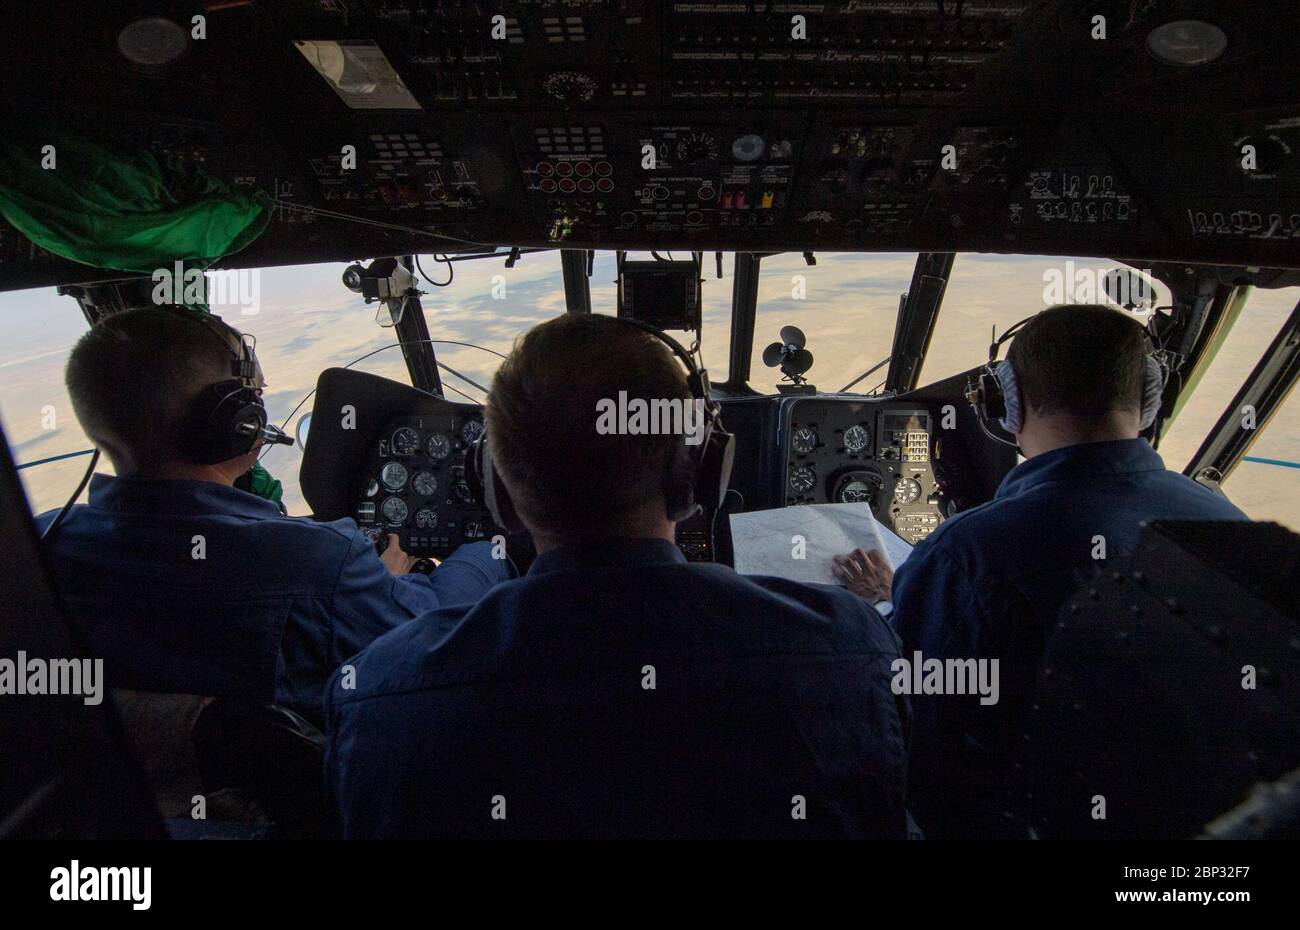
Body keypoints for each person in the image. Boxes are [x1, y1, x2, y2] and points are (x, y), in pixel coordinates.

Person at [325, 313, 909, 839]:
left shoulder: (375, 697)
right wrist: (885, 602)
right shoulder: (851, 649)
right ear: (696, 478)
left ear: (500, 495)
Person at [833, 303, 1247, 838]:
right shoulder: (1225, 523)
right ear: (1150, 395)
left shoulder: (971, 555)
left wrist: (892, 608)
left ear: (1005, 400)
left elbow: (911, 735)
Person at [36, 306, 510, 719]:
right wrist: (483, 549)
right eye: (255, 398)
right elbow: (431, 632)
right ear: (236, 420)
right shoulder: (314, 560)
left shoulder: (40, 550)